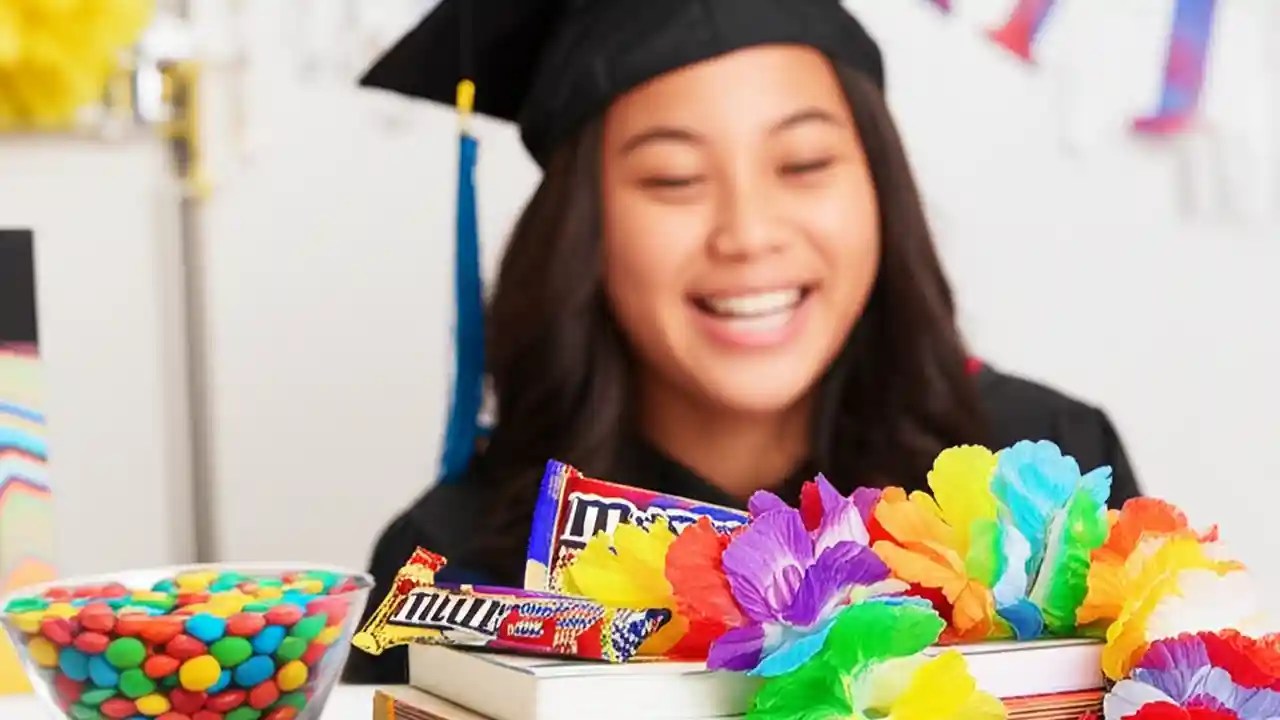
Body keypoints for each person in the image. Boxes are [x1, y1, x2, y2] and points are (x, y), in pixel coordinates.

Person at [343, 0, 1141, 684]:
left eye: (803, 163)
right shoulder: (454, 569)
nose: (749, 235)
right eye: (673, 179)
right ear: (583, 232)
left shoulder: (1037, 481)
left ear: (879, 189)